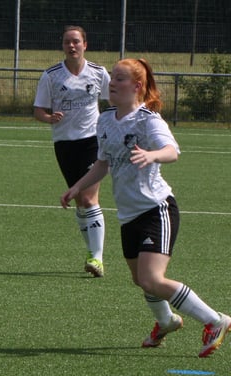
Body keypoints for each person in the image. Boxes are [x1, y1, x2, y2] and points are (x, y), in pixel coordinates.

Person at [62, 59, 229, 358]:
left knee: (152, 279)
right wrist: (77, 187)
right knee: (140, 279)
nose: (112, 83)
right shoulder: (105, 119)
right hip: (129, 215)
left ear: (137, 86)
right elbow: (103, 163)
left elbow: (172, 151)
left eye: (120, 79)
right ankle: (166, 321)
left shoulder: (148, 119)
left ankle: (216, 320)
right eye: (112, 78)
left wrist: (152, 155)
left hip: (157, 209)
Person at [34, 25, 110, 277]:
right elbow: (38, 111)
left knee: (88, 198)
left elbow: (114, 101)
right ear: (63, 46)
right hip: (64, 144)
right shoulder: (51, 76)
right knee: (79, 201)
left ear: (85, 45)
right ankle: (91, 254)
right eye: (67, 42)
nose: (72, 46)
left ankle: (97, 258)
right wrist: (49, 118)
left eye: (76, 41)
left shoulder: (99, 73)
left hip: (92, 141)